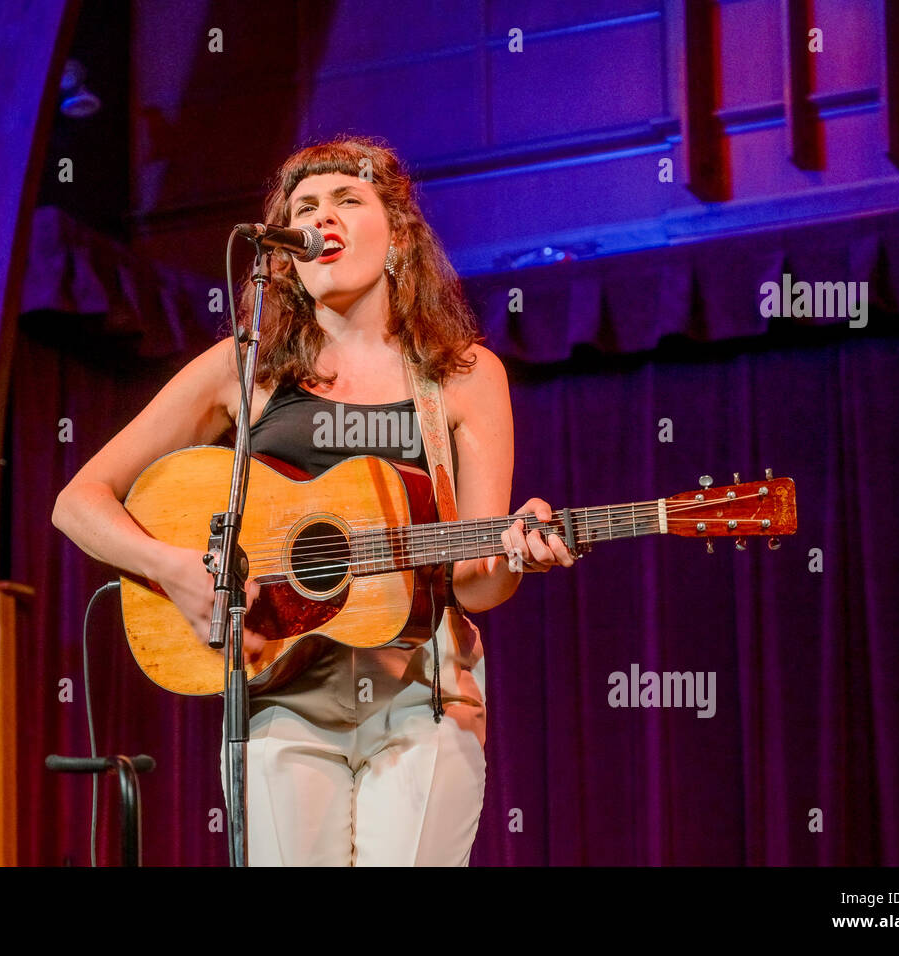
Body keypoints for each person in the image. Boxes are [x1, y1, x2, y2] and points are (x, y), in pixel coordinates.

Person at [52, 135, 577, 866]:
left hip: (420, 695)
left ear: (398, 233)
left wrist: (517, 553)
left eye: (346, 200)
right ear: (285, 252)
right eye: (303, 208)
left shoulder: (460, 375)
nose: (320, 217)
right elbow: (79, 500)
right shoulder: (249, 368)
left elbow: (476, 580)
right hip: (281, 693)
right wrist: (174, 569)